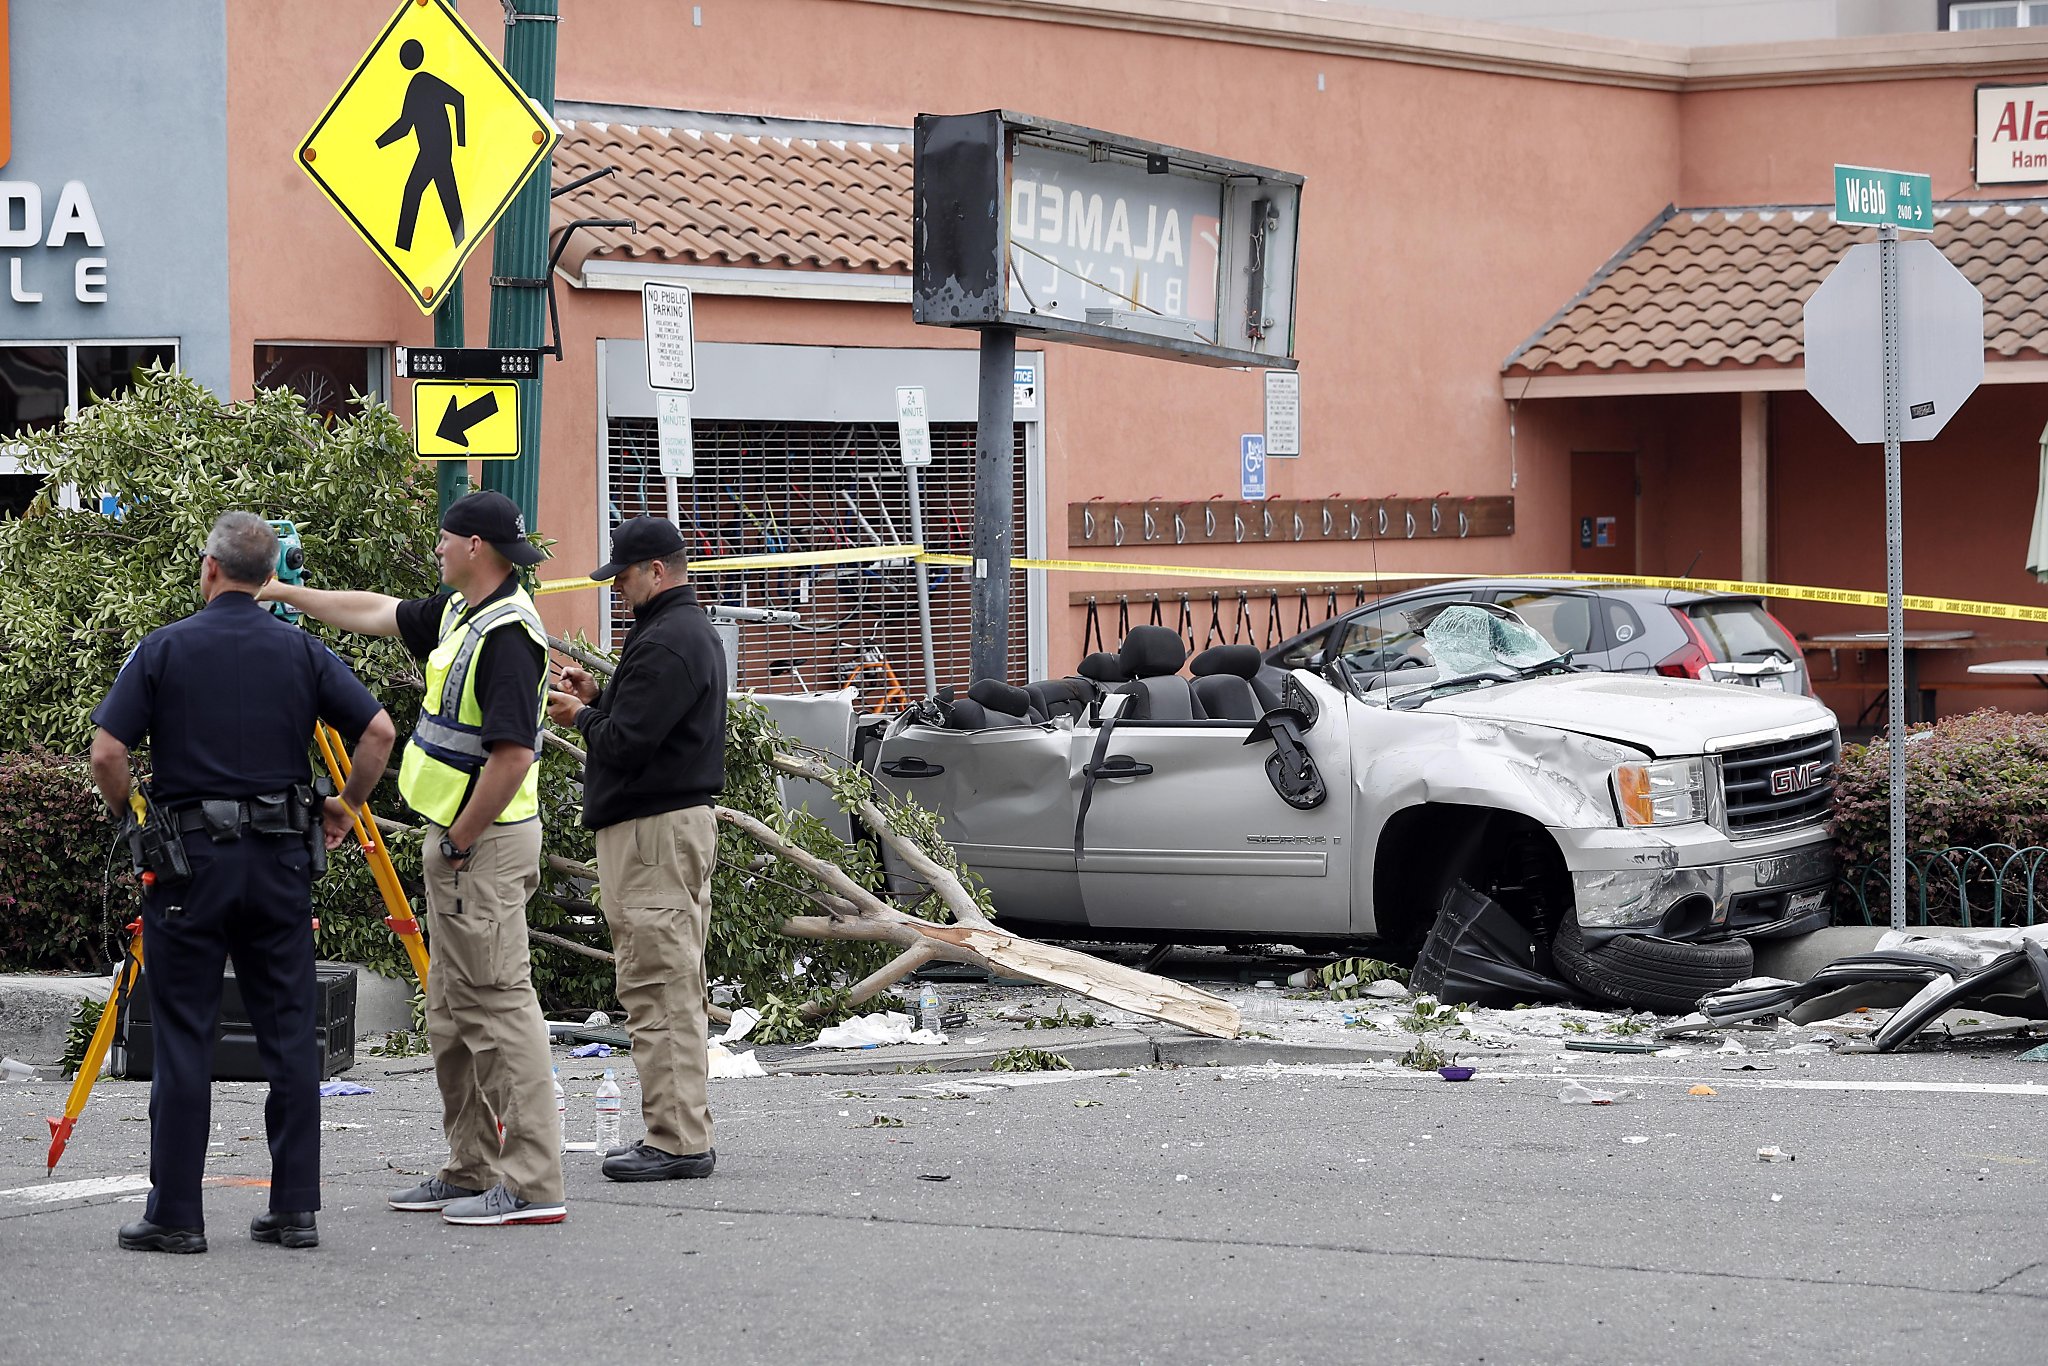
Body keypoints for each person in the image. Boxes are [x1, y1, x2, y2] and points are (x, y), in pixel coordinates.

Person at [89, 511, 396, 1254]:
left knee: (186, 1034)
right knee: (291, 1030)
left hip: (188, 867)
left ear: (209, 569)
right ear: (269, 580)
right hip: (280, 862)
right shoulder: (302, 651)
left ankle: (176, 1215)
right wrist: (346, 808)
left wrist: (138, 818)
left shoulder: (163, 649)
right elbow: (380, 732)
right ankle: (294, 1209)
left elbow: (106, 752)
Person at [260, 490, 565, 1226]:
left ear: (474, 548)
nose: (435, 548)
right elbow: (376, 610)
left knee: (498, 1007)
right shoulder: (462, 612)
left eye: (444, 539)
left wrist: (460, 837)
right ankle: (470, 1168)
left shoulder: (508, 634)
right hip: (459, 842)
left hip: (481, 845)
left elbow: (513, 754)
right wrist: (285, 591)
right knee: (453, 1013)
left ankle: (532, 1183)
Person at [546, 516, 725, 1182]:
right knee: (669, 980)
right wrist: (600, 696)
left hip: (653, 832)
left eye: (622, 577)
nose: (618, 590)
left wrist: (582, 717)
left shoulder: (670, 639)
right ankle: (679, 1131)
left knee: (658, 983)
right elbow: (648, 720)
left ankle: (677, 1141)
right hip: (663, 827)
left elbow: (628, 743)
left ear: (655, 570)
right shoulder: (676, 631)